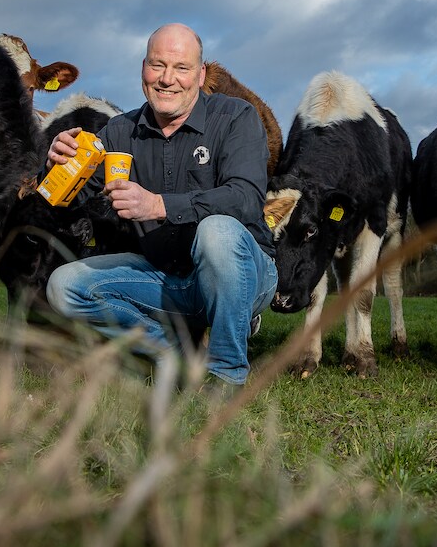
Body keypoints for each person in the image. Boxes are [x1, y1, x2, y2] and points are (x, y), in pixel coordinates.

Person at [44, 23, 277, 387]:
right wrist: (60, 165)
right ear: (143, 69)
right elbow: (72, 197)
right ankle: (175, 353)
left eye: (181, 68)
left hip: (244, 276)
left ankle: (226, 373)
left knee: (216, 230)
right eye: (157, 65)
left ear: (200, 76)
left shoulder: (235, 117)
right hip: (166, 277)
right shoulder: (120, 132)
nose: (167, 79)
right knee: (65, 287)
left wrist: (158, 205)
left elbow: (245, 198)